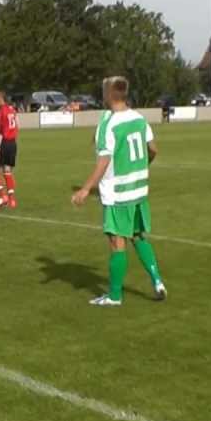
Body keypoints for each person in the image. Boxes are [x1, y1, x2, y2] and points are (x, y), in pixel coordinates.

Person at [71, 76, 166, 306]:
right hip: (138, 189)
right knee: (137, 235)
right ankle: (157, 281)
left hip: (118, 191)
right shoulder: (139, 119)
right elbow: (153, 150)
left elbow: (104, 160)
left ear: (109, 95)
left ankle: (114, 296)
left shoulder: (110, 124)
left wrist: (85, 189)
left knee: (117, 242)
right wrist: (141, 167)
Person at [0, 90, 19, 209]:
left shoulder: (0, 112)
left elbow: (0, 131)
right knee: (7, 171)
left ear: (1, 98)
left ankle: (3, 196)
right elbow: (17, 125)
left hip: (3, 143)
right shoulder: (12, 109)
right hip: (12, 143)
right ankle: (12, 200)